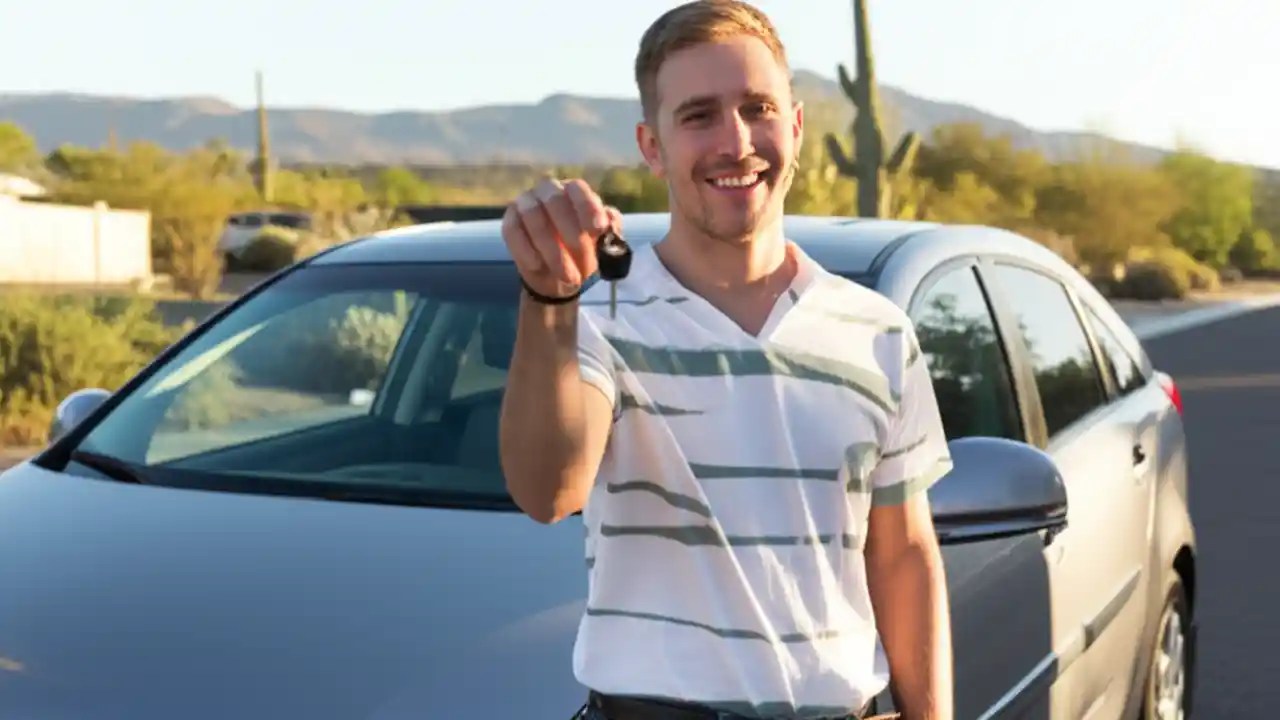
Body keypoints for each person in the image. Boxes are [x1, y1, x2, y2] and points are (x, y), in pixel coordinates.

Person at [497, 1, 954, 718]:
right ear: (653, 147)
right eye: (699, 115)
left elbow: (903, 557)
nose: (736, 142)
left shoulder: (879, 332)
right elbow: (548, 491)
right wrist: (547, 300)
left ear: (796, 126)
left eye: (758, 107)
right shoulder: (596, 321)